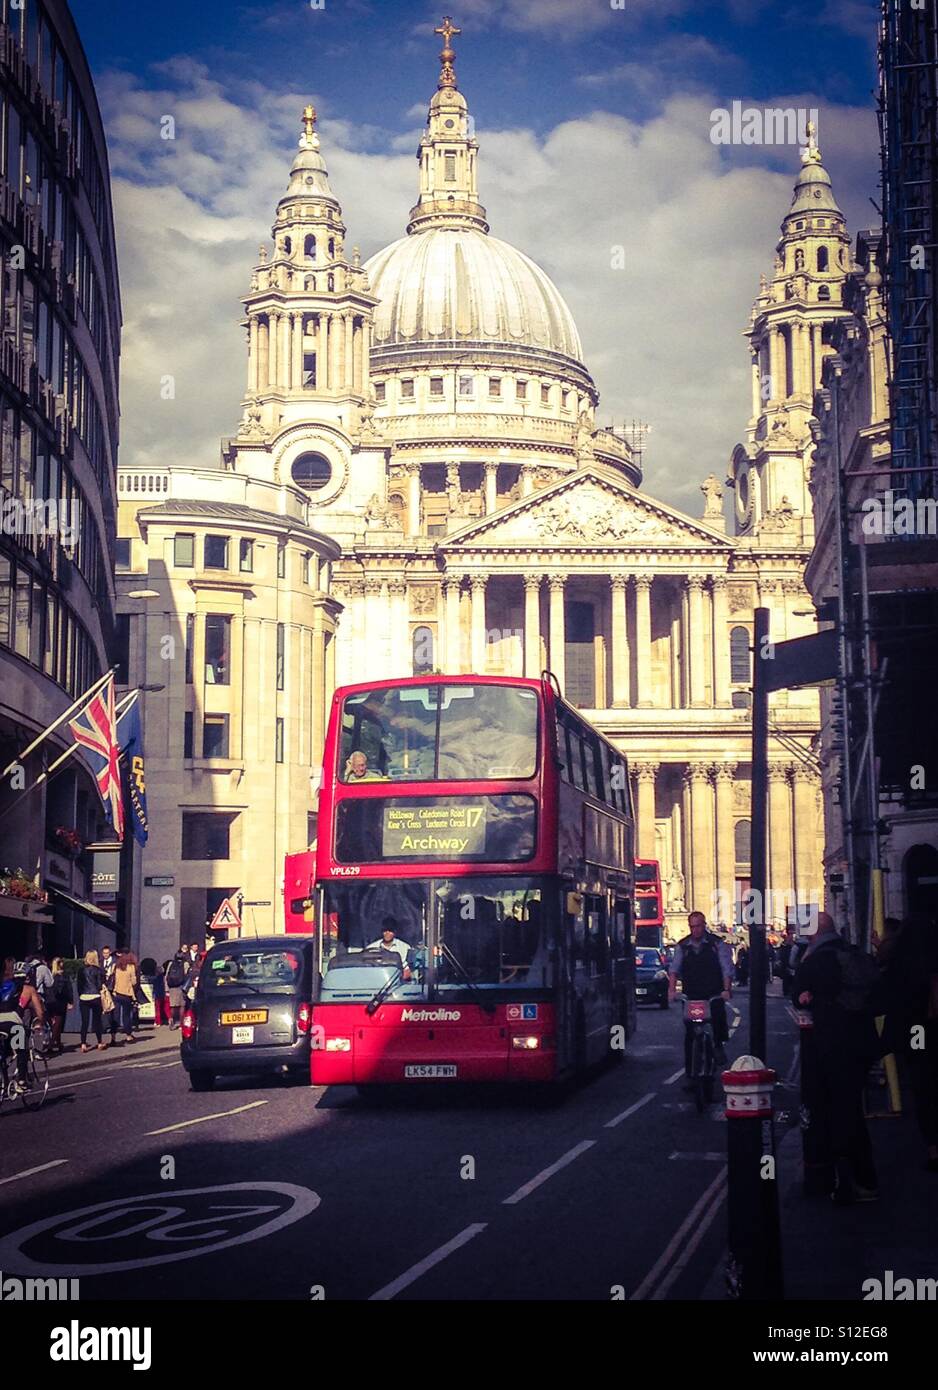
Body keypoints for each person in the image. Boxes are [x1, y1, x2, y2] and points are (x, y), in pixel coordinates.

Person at [793, 910, 881, 1205]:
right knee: (852, 1110)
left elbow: (798, 995)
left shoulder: (814, 960)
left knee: (833, 1113)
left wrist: (807, 993)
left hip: (830, 1047)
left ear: (815, 932)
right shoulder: (852, 952)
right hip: (861, 1045)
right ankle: (865, 1180)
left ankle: (842, 1182)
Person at [883, 914, 938, 1174]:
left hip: (917, 1030)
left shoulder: (901, 962)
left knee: (923, 1087)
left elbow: (888, 996)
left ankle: (933, 1149)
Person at [668, 910, 733, 1079]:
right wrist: (672, 991)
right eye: (692, 926)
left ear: (704, 925)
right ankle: (691, 1074)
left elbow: (726, 969)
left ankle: (718, 1045)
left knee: (718, 1021)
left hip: (713, 993)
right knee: (691, 1034)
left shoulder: (716, 944)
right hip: (691, 995)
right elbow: (674, 970)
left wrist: (726, 990)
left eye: (698, 926)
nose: (695, 930)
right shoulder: (683, 946)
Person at [0, 958, 45, 1092]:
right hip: (14, 1024)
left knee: (5, 1052)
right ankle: (21, 1081)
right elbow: (39, 1011)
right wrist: (39, 1022)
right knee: (22, 1049)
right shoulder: (28, 989)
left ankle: (4, 1077)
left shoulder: (3, 984)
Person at [77, 950, 105, 1051]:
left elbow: (79, 985)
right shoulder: (98, 970)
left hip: (84, 997)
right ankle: (99, 1042)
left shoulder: (81, 970)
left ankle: (83, 1044)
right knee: (97, 1021)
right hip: (95, 996)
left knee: (85, 1022)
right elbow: (99, 985)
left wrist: (81, 994)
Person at [112, 950, 139, 1044]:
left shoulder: (117, 967)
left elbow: (114, 979)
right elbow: (134, 982)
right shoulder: (131, 967)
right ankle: (128, 1035)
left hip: (117, 992)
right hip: (127, 993)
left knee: (115, 1015)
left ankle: (113, 1037)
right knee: (126, 1015)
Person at [46, 958, 73, 1053]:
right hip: (60, 1002)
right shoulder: (63, 976)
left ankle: (59, 1043)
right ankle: (51, 1045)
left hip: (50, 1001)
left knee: (56, 1023)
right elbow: (68, 990)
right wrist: (70, 1001)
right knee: (58, 1024)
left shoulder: (51, 976)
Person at [165, 951, 190, 1029]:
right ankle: (181, 1024)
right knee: (182, 1006)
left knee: (173, 1006)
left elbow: (167, 976)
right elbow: (187, 976)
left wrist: (166, 989)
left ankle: (171, 1020)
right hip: (181, 986)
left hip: (172, 987)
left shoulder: (171, 963)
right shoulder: (185, 964)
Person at [100, 943, 118, 1045]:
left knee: (113, 1012)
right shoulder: (100, 962)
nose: (105, 955)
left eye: (107, 953)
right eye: (104, 953)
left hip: (111, 989)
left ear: (110, 953)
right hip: (103, 989)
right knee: (104, 1010)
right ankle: (104, 1029)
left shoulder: (115, 962)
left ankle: (113, 1036)